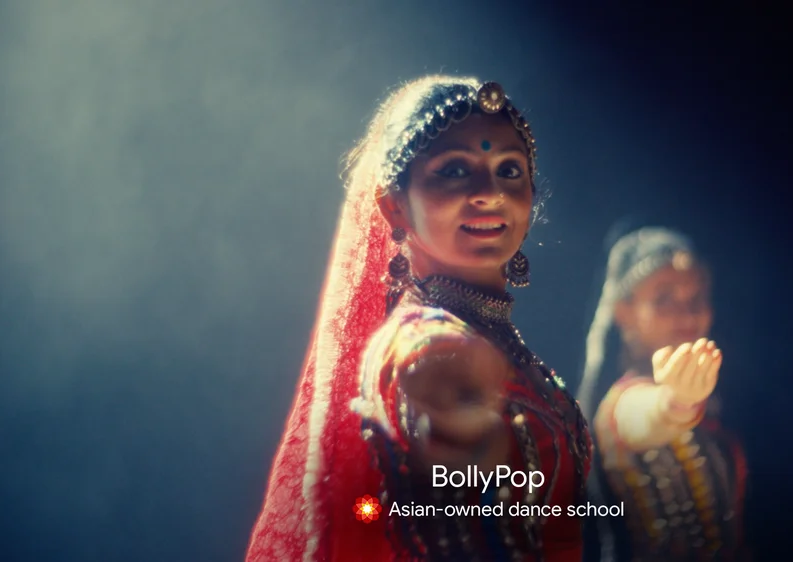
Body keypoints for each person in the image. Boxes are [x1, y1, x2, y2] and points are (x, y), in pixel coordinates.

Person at [245, 75, 591, 561]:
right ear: (394, 207)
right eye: (454, 170)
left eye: (509, 170)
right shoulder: (423, 340)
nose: (490, 192)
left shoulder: (495, 336)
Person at [575, 226, 749, 561]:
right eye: (664, 298)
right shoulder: (624, 401)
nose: (686, 313)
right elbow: (650, 415)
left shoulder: (712, 403)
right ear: (623, 312)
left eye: (696, 297)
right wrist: (677, 402)